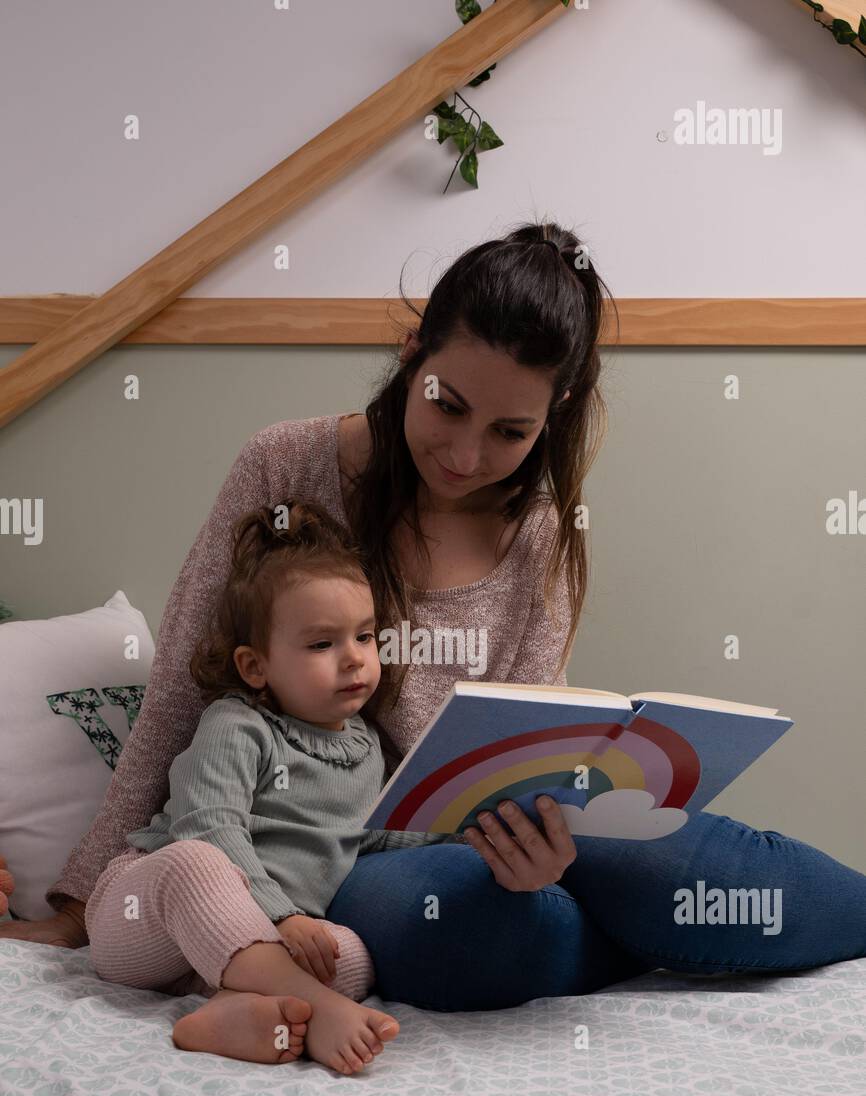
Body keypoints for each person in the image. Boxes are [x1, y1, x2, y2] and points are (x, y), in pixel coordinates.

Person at [3, 220, 866, 1007]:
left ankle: (637, 914)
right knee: (467, 929)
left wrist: (545, 829)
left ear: (554, 413)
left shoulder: (538, 532)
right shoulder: (282, 466)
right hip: (358, 857)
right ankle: (619, 944)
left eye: (509, 432)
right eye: (447, 405)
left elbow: (532, 730)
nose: (464, 455)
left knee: (696, 868)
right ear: (413, 354)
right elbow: (180, 700)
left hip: (506, 831)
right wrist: (79, 906)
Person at [83, 499, 465, 1073]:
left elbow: (374, 837)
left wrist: (462, 835)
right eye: (321, 644)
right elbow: (208, 825)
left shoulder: (364, 749)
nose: (354, 659)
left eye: (364, 637)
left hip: (241, 952)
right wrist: (283, 915)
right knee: (197, 860)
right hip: (148, 919)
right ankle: (318, 1006)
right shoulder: (238, 726)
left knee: (353, 952)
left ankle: (230, 1010)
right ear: (255, 666)